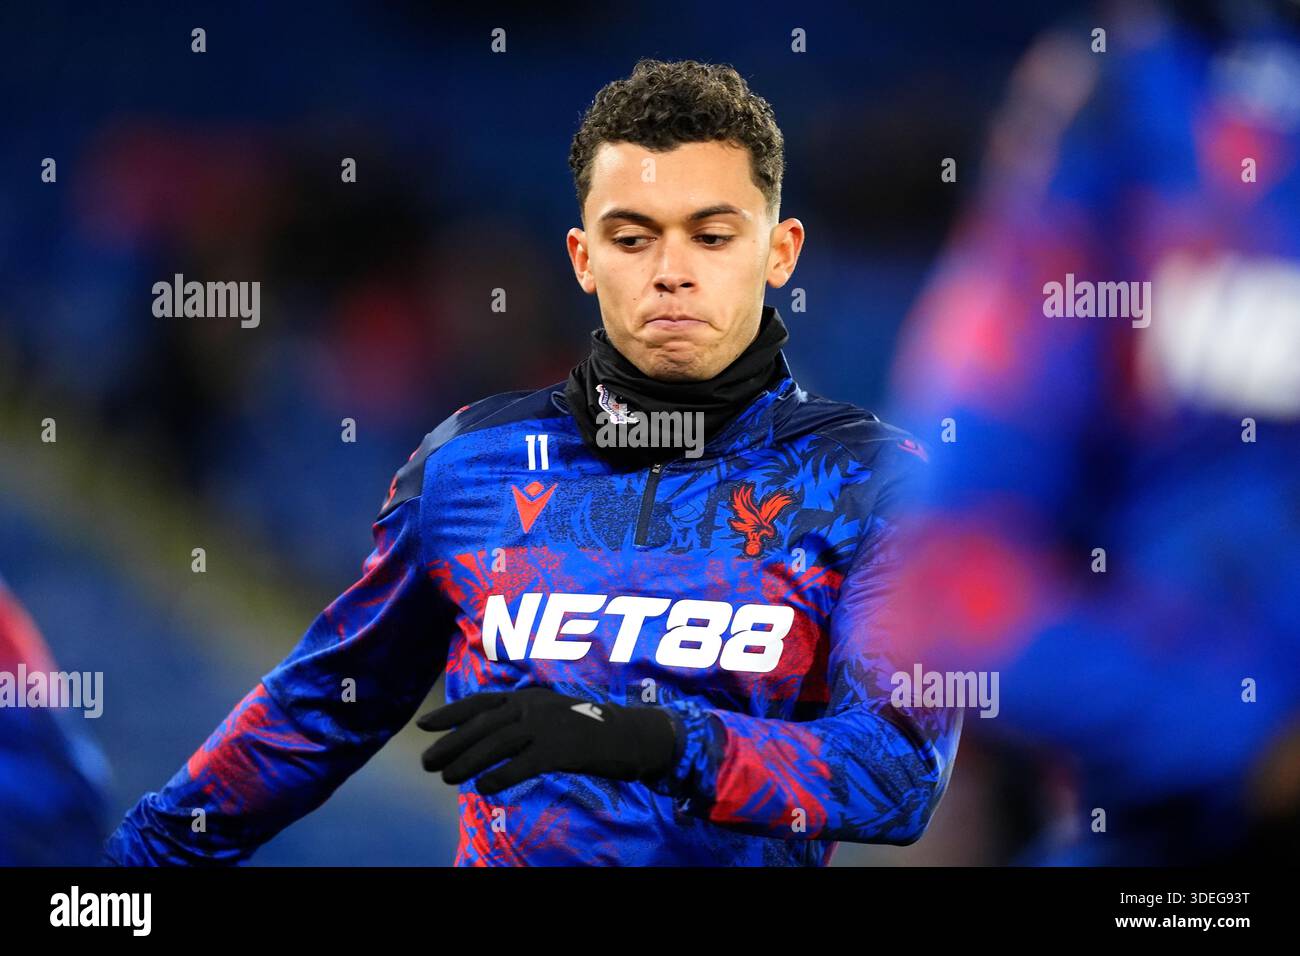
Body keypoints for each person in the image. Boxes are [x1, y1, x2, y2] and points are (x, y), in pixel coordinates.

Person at [104, 58, 961, 866]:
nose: (671, 273)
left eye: (711, 236)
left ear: (780, 252)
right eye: (633, 238)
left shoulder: (876, 484)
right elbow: (319, 709)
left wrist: (649, 740)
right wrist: (130, 867)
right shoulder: (468, 467)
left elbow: (897, 777)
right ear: (584, 259)